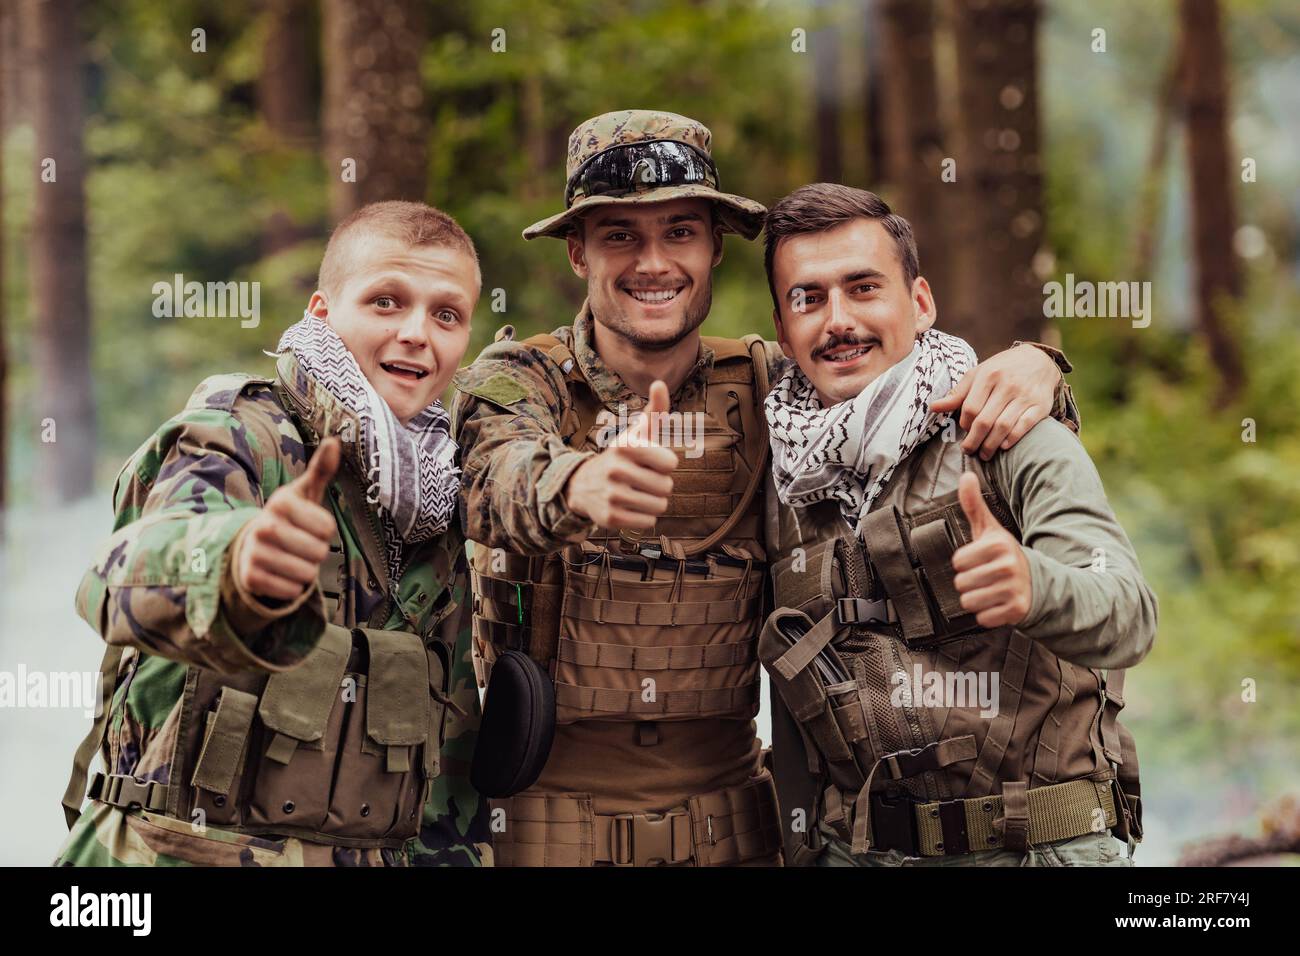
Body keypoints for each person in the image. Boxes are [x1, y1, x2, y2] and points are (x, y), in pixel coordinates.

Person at [451, 109, 1074, 866]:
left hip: (735, 825)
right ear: (578, 252)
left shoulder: (772, 389)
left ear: (715, 246)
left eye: (679, 231)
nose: (653, 261)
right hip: (544, 828)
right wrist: (579, 485)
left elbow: (908, 389)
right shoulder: (519, 381)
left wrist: (1035, 366)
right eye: (621, 235)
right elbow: (491, 481)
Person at [56, 200, 491, 866]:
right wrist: (234, 564)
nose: (416, 333)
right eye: (385, 301)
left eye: (446, 314)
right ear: (322, 312)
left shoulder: (442, 495)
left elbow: (450, 760)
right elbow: (117, 581)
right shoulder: (241, 433)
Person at [759, 183, 1157, 866]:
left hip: (1039, 850)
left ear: (919, 303)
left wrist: (1036, 586)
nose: (838, 320)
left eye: (863, 288)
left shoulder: (1008, 433)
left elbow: (1128, 611)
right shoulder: (780, 472)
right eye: (809, 298)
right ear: (782, 328)